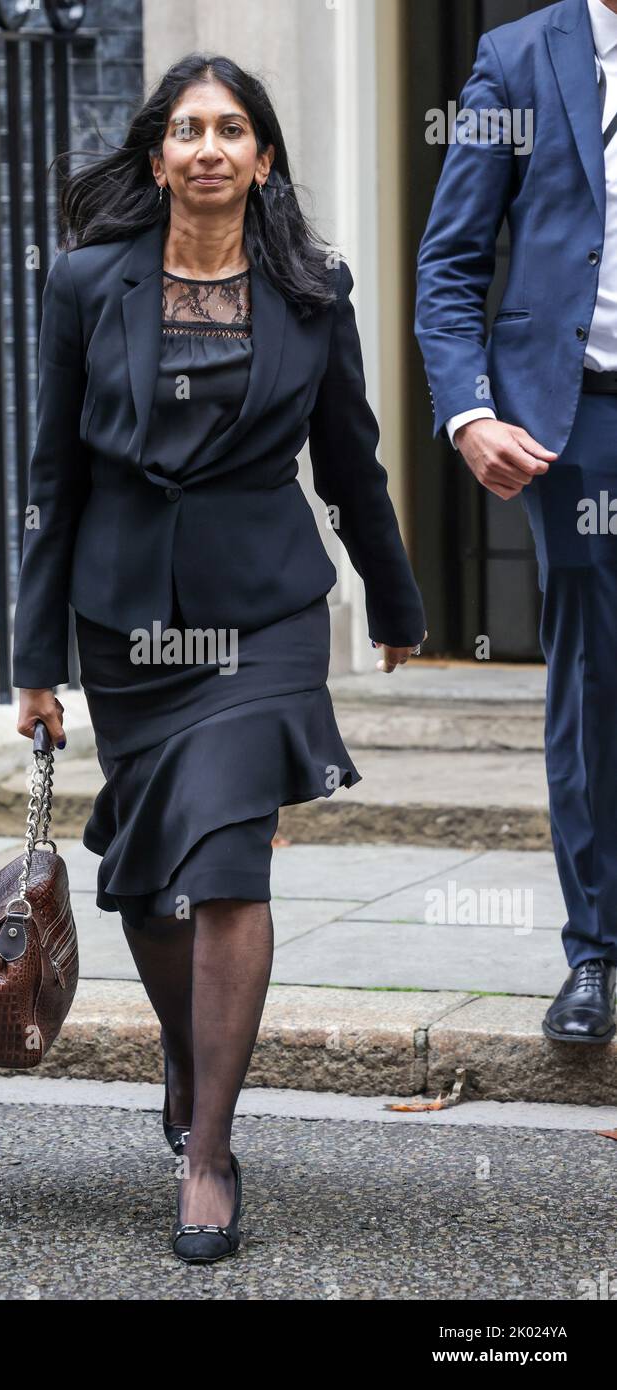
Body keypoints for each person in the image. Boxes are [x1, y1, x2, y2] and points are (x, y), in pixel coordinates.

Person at [13, 52, 426, 1264]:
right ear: (159, 159)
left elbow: (348, 461)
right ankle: (190, 1068)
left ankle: (206, 1154)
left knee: (230, 855)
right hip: (128, 624)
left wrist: (394, 599)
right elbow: (54, 481)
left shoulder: (311, 290)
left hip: (265, 617)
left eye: (230, 128)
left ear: (260, 159)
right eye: (186, 128)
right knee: (149, 879)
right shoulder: (87, 285)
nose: (207, 147)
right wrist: (35, 663)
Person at [416, 0, 617, 1046]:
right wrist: (468, 411)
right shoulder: (511, 58)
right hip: (575, 415)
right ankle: (594, 953)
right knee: (590, 681)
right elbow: (449, 259)